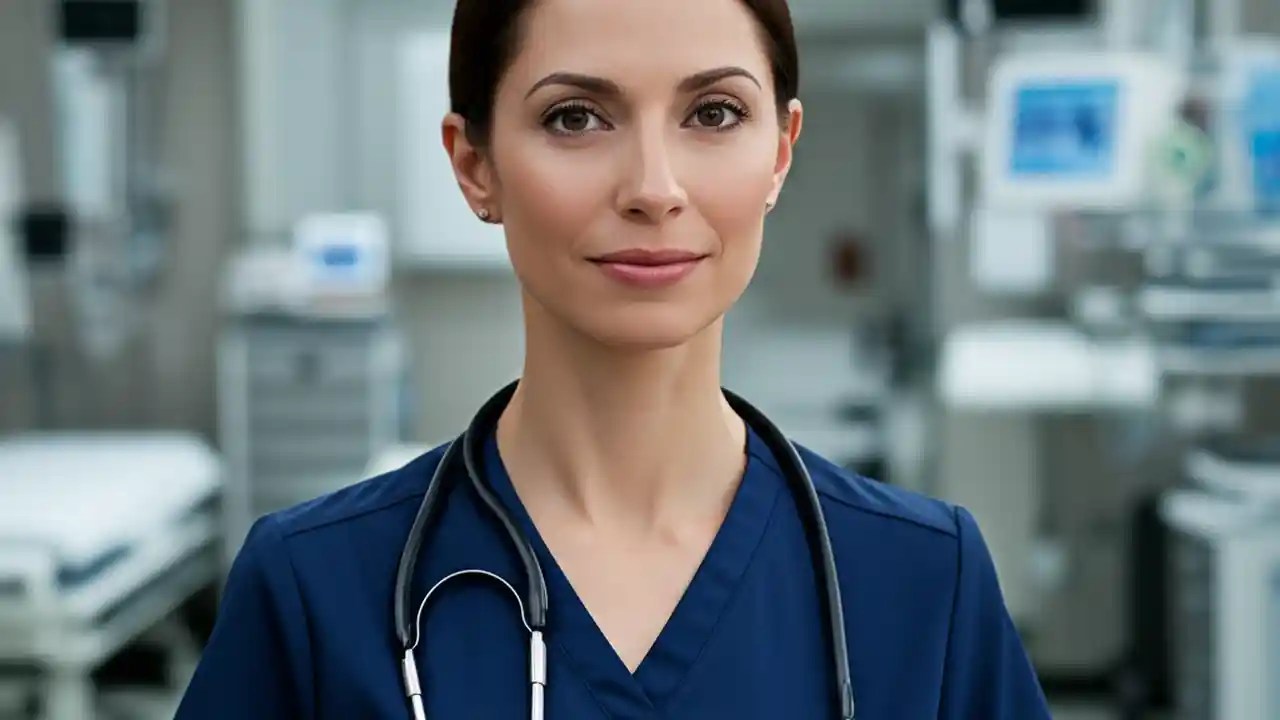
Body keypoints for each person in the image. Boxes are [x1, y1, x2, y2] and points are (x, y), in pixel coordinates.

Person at [176, 0, 1052, 717]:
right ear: (475, 164)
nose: (653, 189)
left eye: (713, 114)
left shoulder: (925, 581)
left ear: (780, 151)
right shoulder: (313, 593)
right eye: (576, 117)